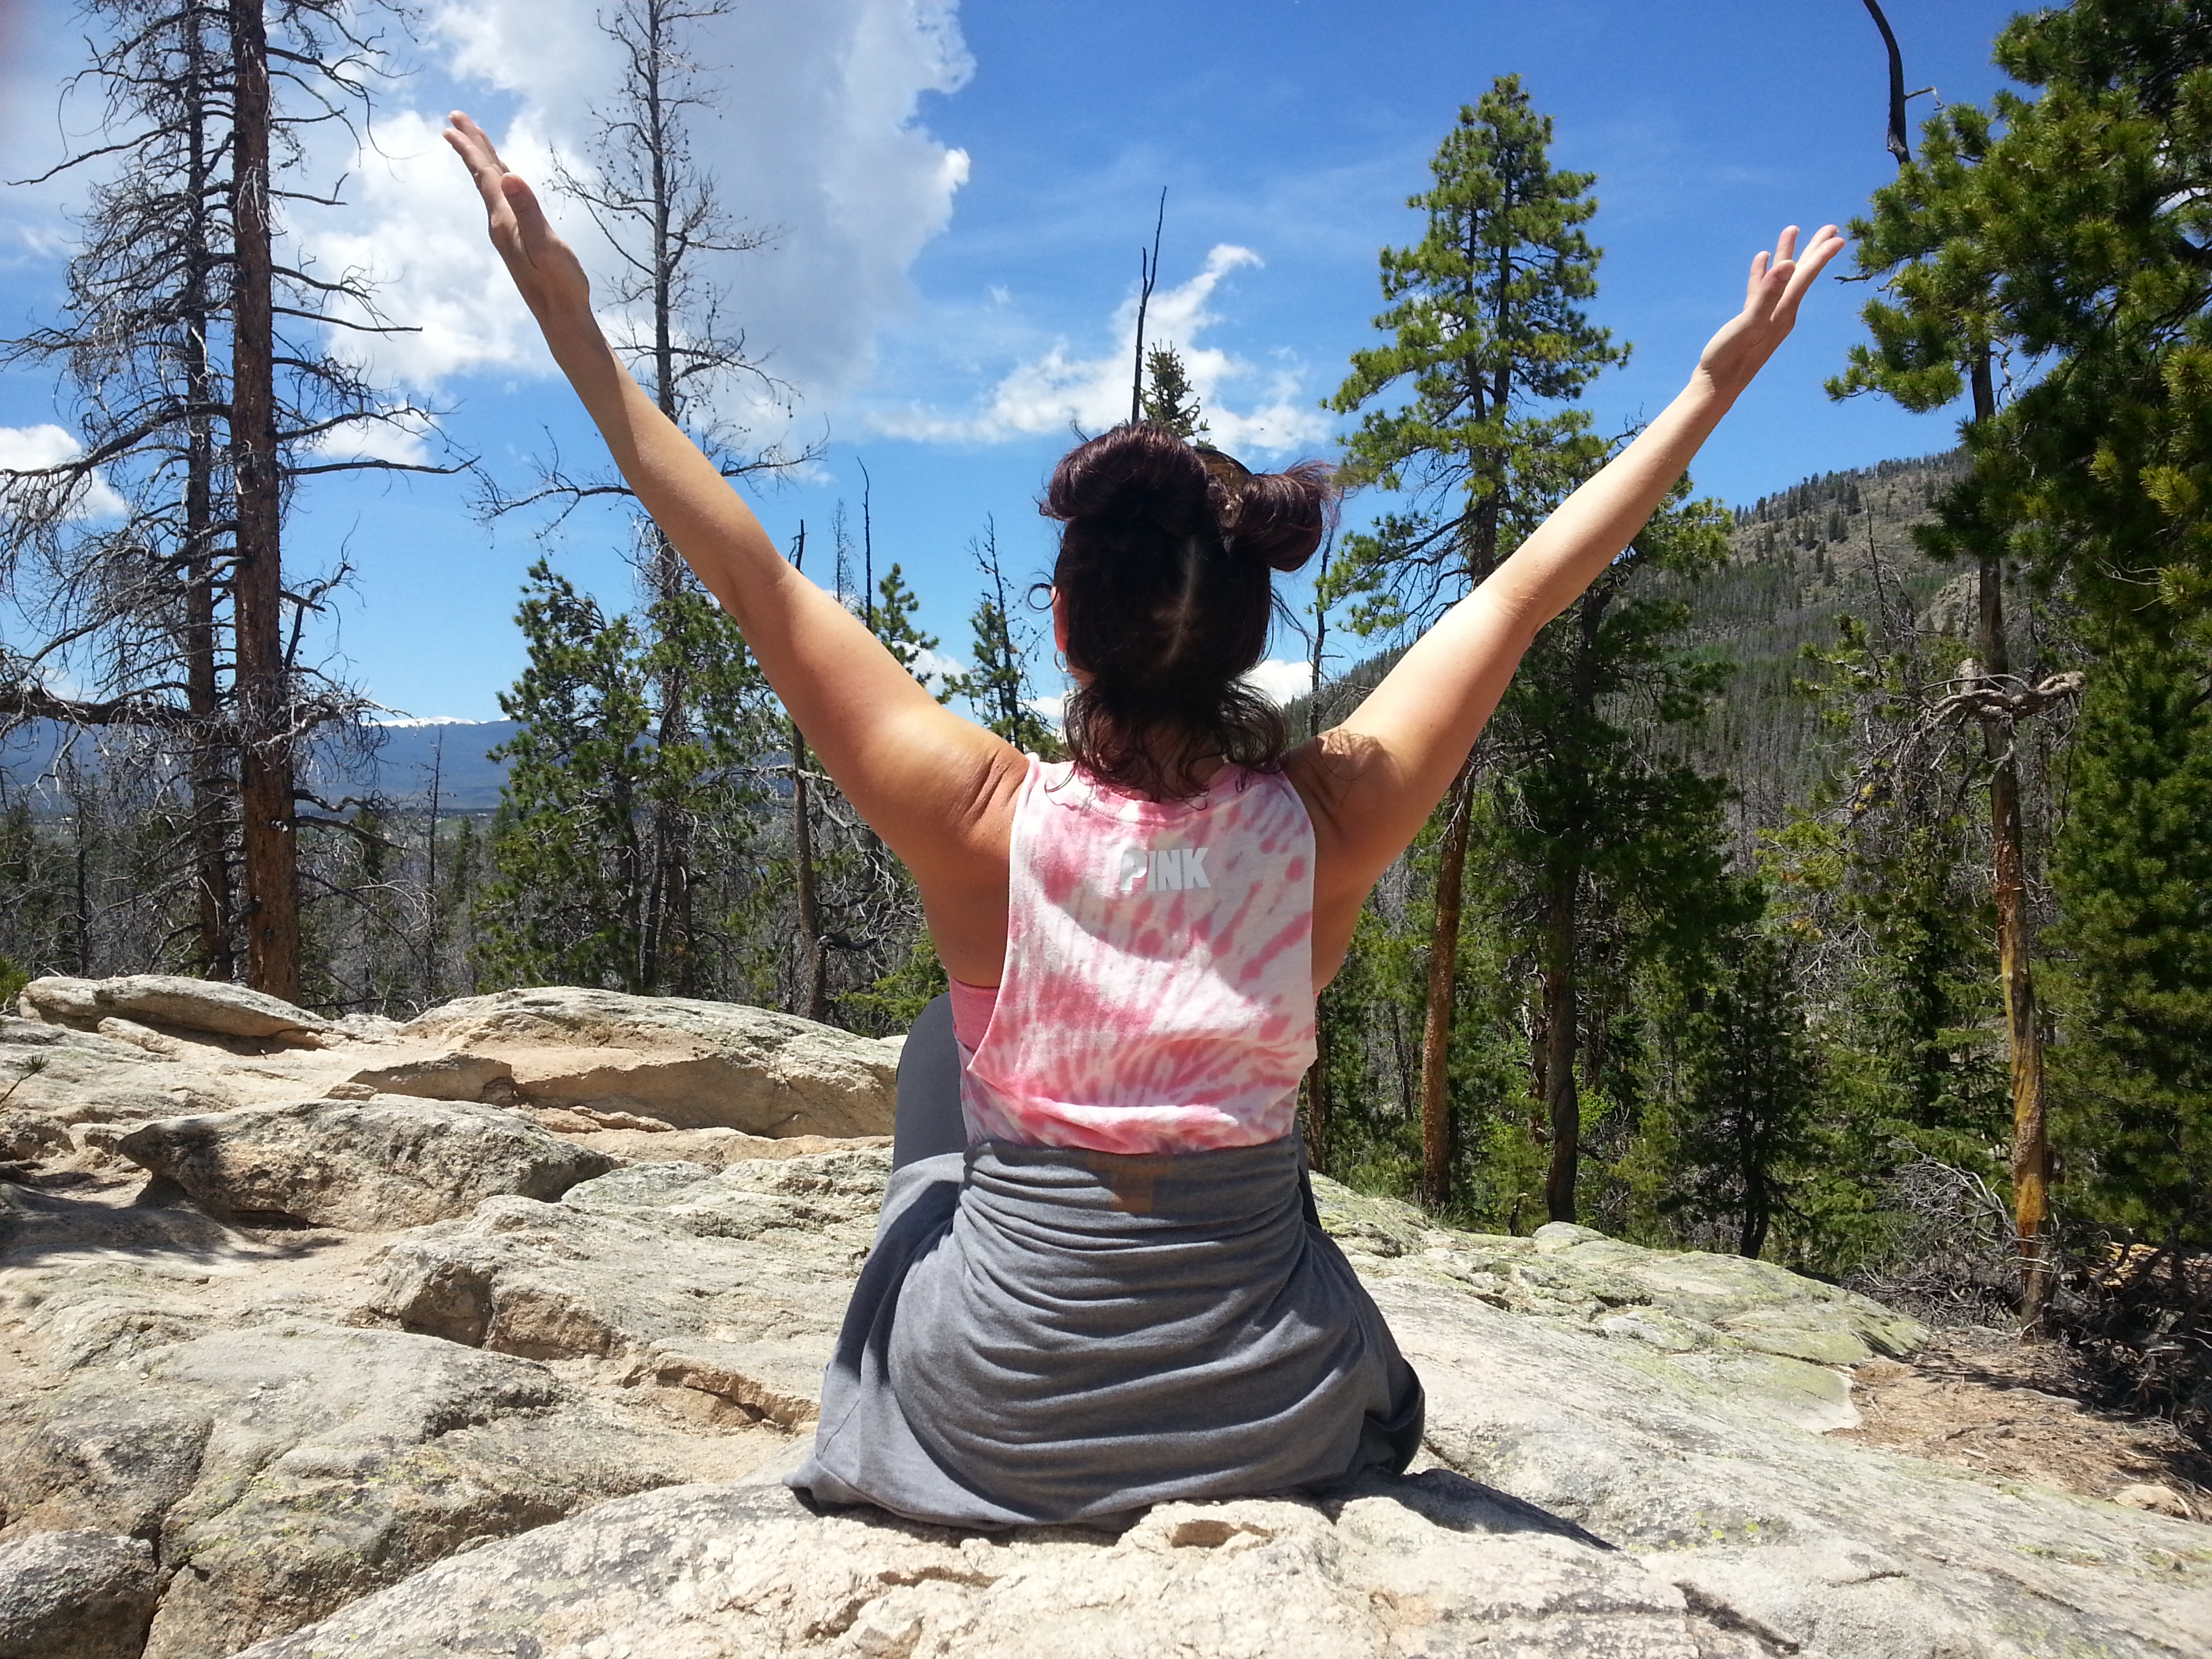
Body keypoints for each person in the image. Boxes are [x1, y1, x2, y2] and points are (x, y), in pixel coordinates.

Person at [445, 110, 1844, 1528]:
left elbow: (754, 578)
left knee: (946, 1045)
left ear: (1063, 624)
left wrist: (575, 326)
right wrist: (1709, 391)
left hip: (997, 1407)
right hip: (1269, 1411)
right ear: (1248, 634)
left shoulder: (980, 817)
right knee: (1265, 1182)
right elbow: (1523, 590)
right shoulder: (1333, 821)